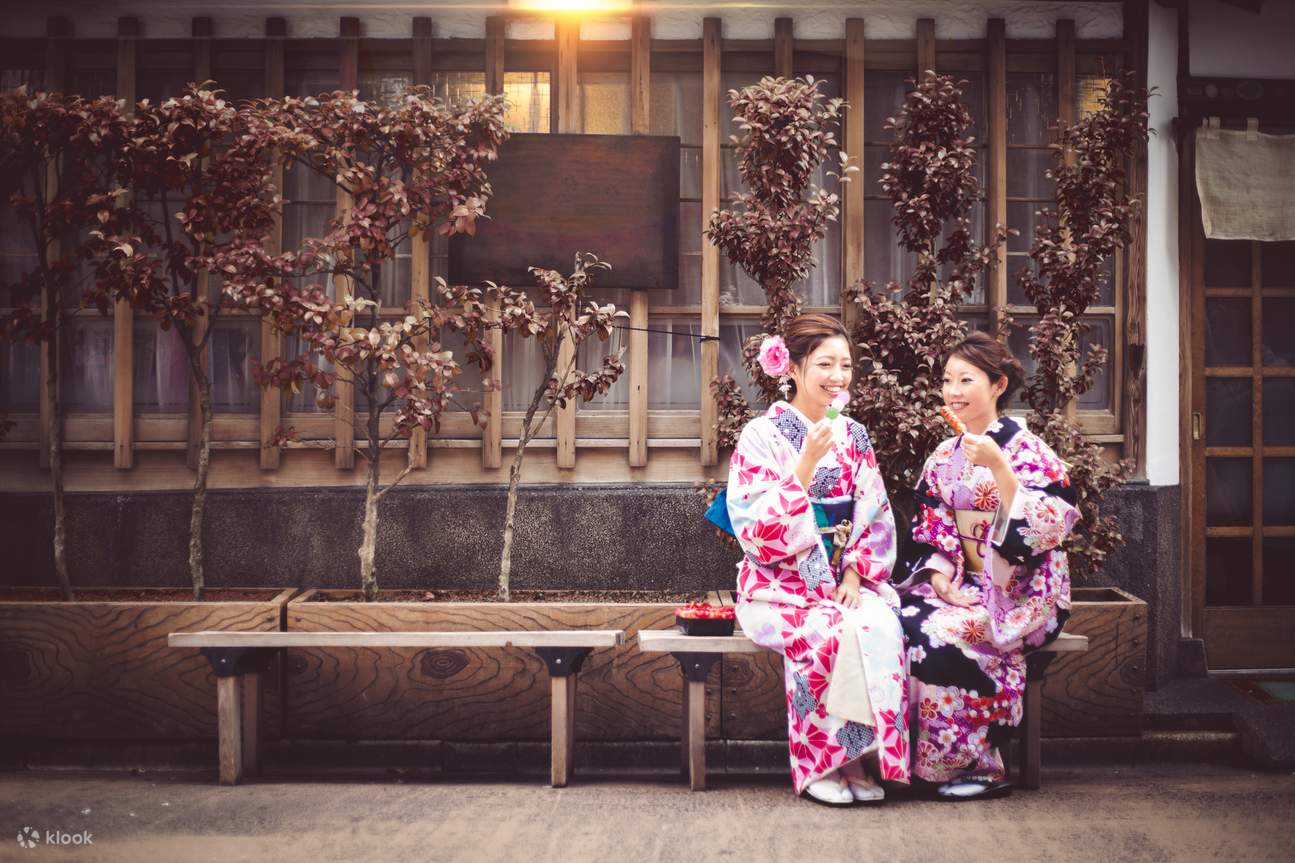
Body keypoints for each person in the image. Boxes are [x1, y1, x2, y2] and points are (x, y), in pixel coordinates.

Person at [726, 313, 909, 806]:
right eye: (825, 363)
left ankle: (861, 757)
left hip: (845, 580)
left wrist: (854, 572)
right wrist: (805, 463)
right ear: (794, 367)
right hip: (777, 585)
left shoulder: (855, 434)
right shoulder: (760, 435)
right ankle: (824, 763)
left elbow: (873, 509)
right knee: (824, 632)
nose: (837, 376)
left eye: (845, 365)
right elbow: (752, 527)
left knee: (878, 626)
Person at [898, 331, 1079, 800]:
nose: (953, 391)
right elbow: (930, 528)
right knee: (900, 622)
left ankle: (980, 766)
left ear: (998, 385)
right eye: (947, 380)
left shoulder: (1029, 452)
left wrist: (1000, 468)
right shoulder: (944, 456)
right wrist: (939, 578)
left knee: (952, 634)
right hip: (962, 585)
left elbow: (1049, 526)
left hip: (1024, 591)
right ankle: (906, 763)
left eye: (966, 380)